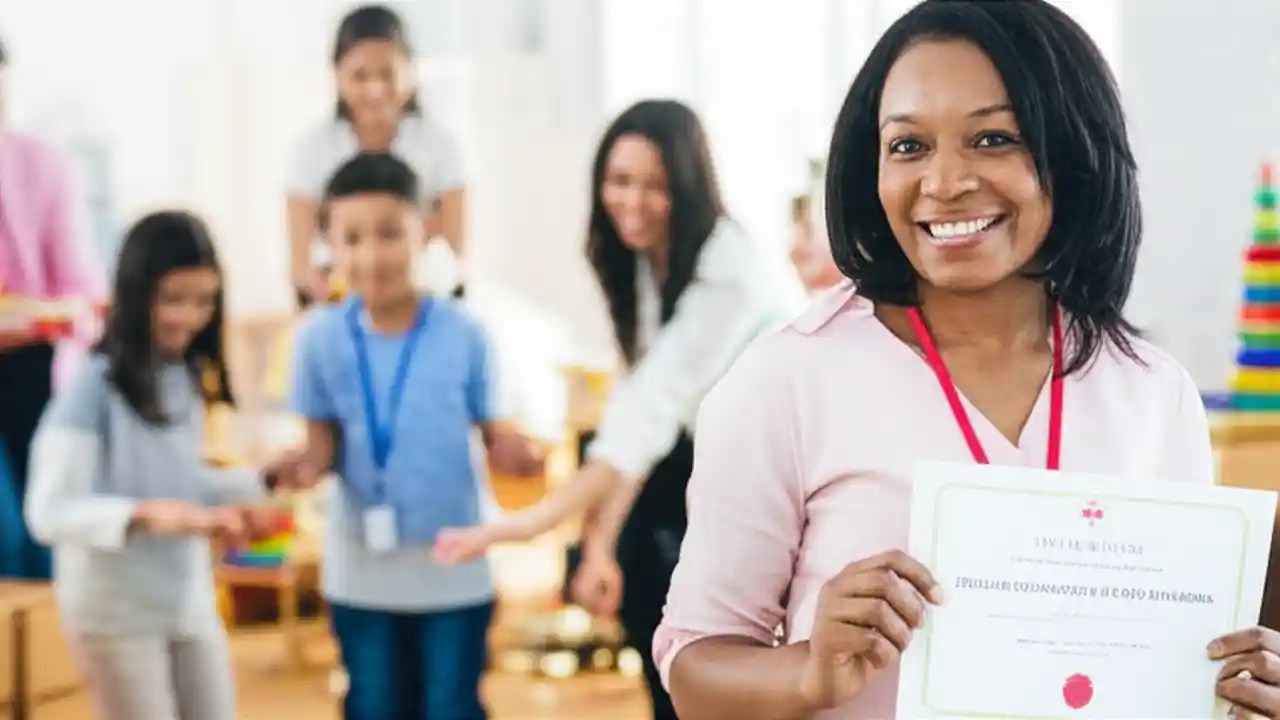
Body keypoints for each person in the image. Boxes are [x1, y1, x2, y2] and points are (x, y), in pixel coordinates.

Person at [647, 2, 1280, 718]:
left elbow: (1174, 673)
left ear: (1071, 153)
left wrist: (1237, 692)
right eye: (908, 147)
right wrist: (807, 673)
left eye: (992, 138)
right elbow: (694, 670)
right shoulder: (786, 381)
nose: (944, 183)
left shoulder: (1152, 392)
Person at [433, 99, 807, 719]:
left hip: (769, 476)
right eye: (620, 180)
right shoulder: (649, 259)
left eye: (655, 185)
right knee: (657, 635)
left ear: (688, 187)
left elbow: (649, 411)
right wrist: (599, 541)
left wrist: (533, 521)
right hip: (693, 461)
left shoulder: (729, 268)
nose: (632, 201)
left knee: (713, 662)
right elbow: (643, 412)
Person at [278, 152, 543, 719]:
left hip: (455, 572)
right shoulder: (317, 340)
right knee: (374, 705)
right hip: (361, 575)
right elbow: (321, 449)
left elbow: (494, 434)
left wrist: (519, 453)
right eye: (352, 238)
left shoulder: (466, 333)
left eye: (390, 234)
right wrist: (297, 469)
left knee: (451, 706)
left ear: (425, 230)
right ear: (329, 242)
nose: (371, 256)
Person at [24, 211, 280, 720]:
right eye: (174, 299)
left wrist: (263, 481)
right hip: (115, 610)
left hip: (184, 598)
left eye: (204, 301)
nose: (190, 316)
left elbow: (179, 484)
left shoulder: (180, 375)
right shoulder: (92, 386)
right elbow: (49, 511)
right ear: (138, 293)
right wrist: (148, 516)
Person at [0, 34, 107, 579]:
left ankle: (40, 658)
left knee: (45, 531)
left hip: (36, 367)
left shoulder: (44, 164)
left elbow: (85, 294)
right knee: (5, 535)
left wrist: (44, 313)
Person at [285, 3, 467, 305]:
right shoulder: (310, 151)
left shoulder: (441, 144)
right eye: (360, 76)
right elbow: (301, 266)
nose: (374, 90)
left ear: (410, 71)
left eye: (387, 74)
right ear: (337, 75)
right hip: (338, 300)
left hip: (424, 299)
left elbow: (455, 253)